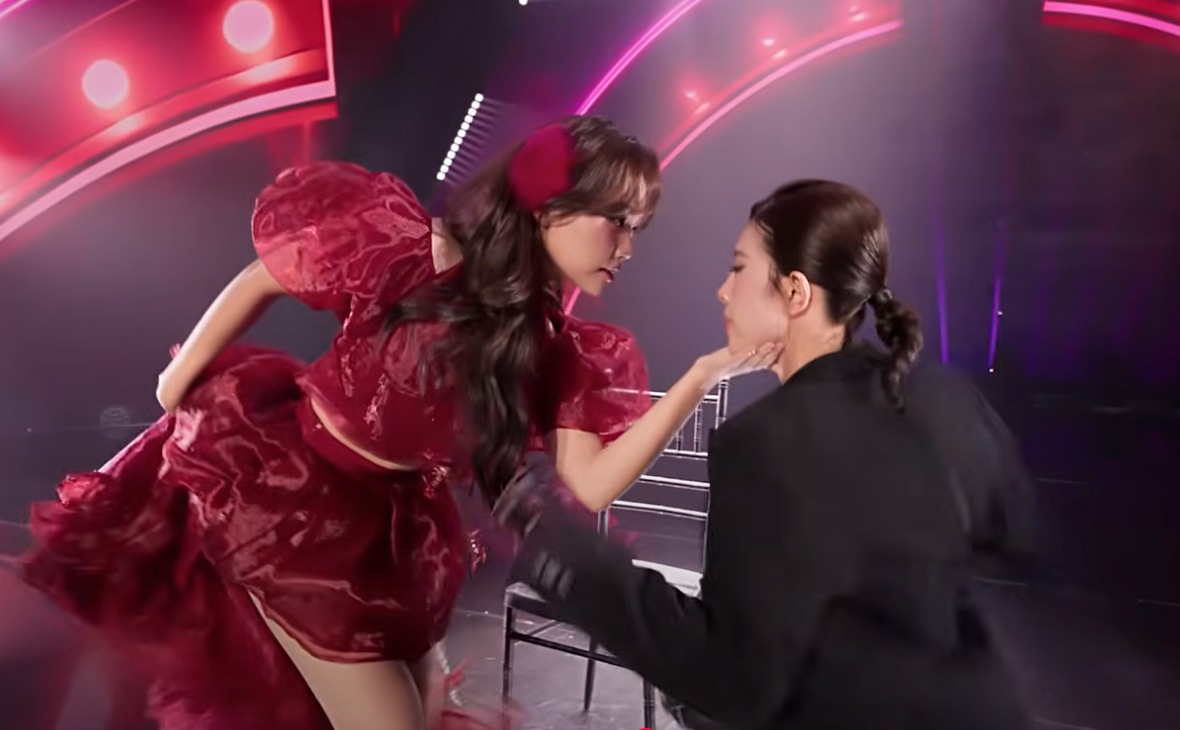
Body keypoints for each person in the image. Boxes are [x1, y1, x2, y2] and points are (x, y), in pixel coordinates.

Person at [18, 116, 779, 730]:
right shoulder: (417, 249)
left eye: (638, 228)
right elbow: (265, 275)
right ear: (551, 209)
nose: (628, 247)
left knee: (424, 714)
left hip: (394, 535)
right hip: (292, 500)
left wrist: (700, 377)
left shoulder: (559, 349)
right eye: (618, 221)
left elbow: (590, 484)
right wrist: (178, 377)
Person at [495, 180, 1036, 730]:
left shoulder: (763, 440)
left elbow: (735, 676)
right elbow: (1004, 535)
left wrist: (566, 551)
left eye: (738, 268)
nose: (722, 291)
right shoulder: (947, 398)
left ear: (795, 292)